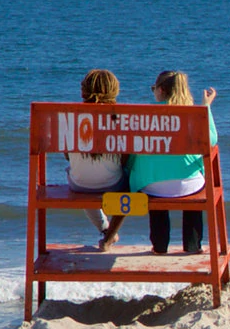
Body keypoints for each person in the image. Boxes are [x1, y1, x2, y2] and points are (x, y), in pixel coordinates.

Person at [126, 69, 218, 255]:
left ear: (161, 90)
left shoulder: (145, 116)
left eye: (153, 88)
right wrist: (205, 108)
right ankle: (193, 246)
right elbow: (211, 140)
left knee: (155, 191)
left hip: (152, 185)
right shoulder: (193, 115)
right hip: (188, 184)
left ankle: (160, 246)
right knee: (192, 190)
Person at [64, 69, 131, 250]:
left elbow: (67, 155)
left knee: (81, 175)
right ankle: (108, 237)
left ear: (83, 92)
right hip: (113, 184)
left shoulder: (71, 118)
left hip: (79, 185)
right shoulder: (120, 120)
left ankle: (105, 230)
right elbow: (125, 159)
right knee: (129, 180)